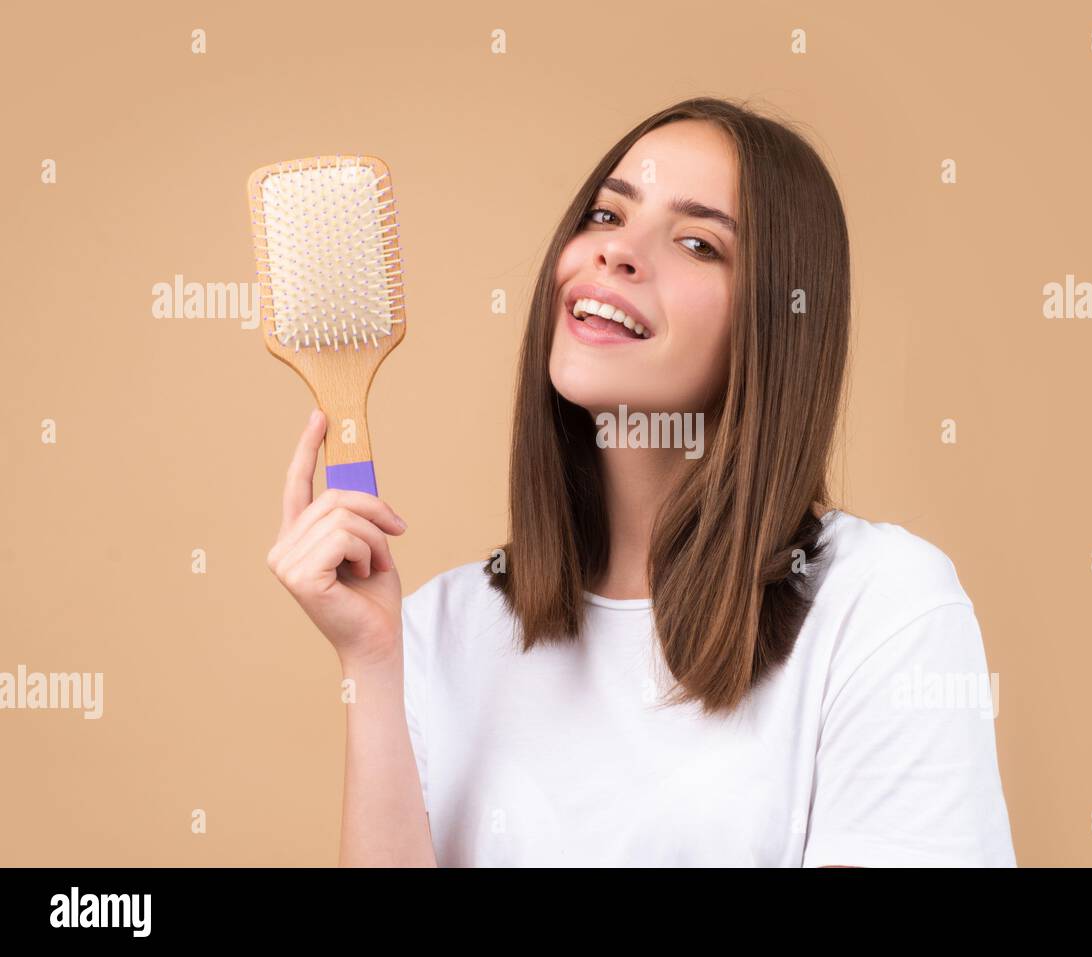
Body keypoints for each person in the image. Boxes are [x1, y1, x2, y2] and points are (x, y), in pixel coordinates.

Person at [266, 96, 1017, 867]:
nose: (618, 253)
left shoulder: (881, 605)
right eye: (603, 215)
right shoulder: (432, 633)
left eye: (697, 243)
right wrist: (372, 664)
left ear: (776, 321)